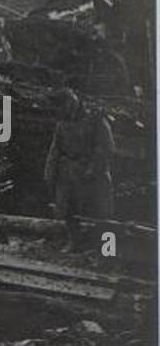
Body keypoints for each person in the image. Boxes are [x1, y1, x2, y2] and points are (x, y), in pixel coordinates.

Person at [43, 89, 115, 251]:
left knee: (99, 211)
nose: (59, 111)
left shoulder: (95, 119)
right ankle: (74, 242)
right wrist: (50, 170)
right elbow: (55, 149)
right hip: (68, 171)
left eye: (62, 107)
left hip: (94, 172)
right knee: (69, 210)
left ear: (71, 103)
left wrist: (92, 169)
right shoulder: (62, 123)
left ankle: (104, 248)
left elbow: (106, 148)